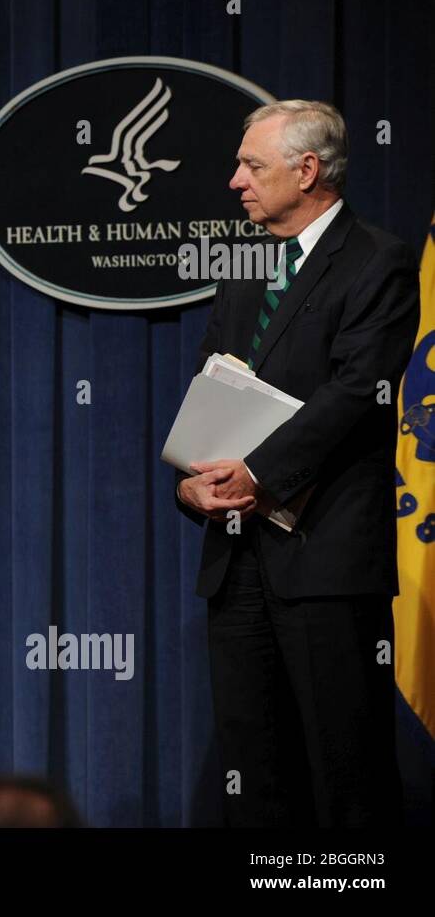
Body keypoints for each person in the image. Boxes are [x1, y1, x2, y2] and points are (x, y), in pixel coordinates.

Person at [175, 101, 418, 826]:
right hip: (236, 559)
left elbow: (355, 391)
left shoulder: (377, 261)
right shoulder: (247, 269)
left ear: (307, 169)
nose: (234, 182)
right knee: (255, 777)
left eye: (252, 165)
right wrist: (191, 478)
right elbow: (210, 385)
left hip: (326, 564)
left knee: (348, 773)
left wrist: (260, 475)